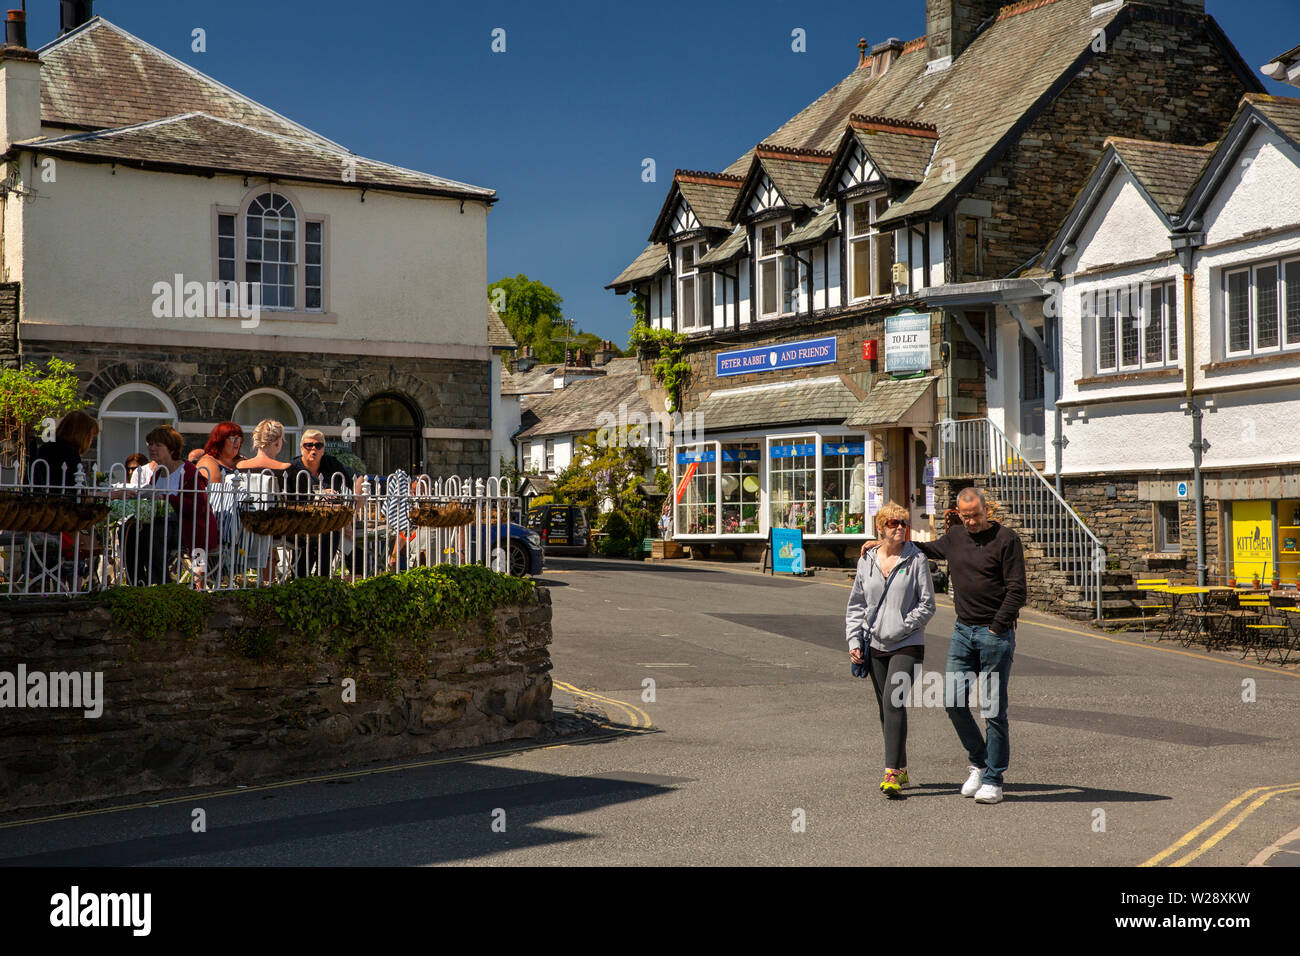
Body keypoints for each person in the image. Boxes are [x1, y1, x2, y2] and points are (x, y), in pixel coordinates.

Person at [863, 486, 1026, 804]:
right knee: (952, 701)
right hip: (963, 633)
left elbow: (1017, 590)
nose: (971, 522)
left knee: (992, 709)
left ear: (986, 510)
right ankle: (979, 763)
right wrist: (885, 543)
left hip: (995, 635)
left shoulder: (1007, 540)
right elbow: (924, 549)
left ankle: (994, 778)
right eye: (965, 516)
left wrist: (996, 627)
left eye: (976, 515)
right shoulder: (955, 536)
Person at [846, 500, 936, 799]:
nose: (900, 528)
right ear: (880, 528)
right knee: (886, 707)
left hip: (907, 644)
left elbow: (927, 605)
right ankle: (902, 764)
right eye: (893, 523)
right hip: (874, 644)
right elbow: (857, 604)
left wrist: (902, 627)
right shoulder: (867, 559)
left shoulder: (916, 559)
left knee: (893, 702)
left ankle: (892, 772)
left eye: (903, 523)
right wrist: (855, 641)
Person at [116, 425, 220, 586]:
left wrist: (166, 498)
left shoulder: (188, 470)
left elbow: (198, 506)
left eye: (158, 445)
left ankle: (162, 583)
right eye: (150, 444)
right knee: (127, 529)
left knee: (153, 531)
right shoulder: (158, 472)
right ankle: (136, 581)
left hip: (187, 527)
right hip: (163, 524)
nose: (152, 448)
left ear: (171, 449)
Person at [281, 429, 364, 578]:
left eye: (318, 445)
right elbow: (288, 502)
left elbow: (359, 479)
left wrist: (351, 513)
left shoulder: (331, 464)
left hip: (330, 523)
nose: (314, 449)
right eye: (309, 445)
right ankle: (301, 582)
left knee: (334, 535)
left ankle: (322, 579)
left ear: (323, 449)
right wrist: (319, 497)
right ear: (301, 448)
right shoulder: (293, 469)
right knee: (309, 550)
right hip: (302, 524)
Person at [233, 420, 293, 585]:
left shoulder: (240, 466)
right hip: (276, 528)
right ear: (277, 442)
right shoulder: (285, 468)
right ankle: (276, 579)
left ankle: (264, 578)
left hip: (243, 525)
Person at [29, 410, 99, 489]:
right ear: (82, 435)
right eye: (90, 436)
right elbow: (77, 494)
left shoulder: (46, 447)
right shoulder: (69, 454)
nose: (90, 441)